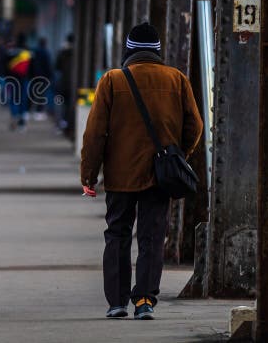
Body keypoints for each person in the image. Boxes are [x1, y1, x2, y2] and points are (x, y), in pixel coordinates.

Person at [79, 22, 203, 321]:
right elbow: (195, 126)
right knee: (151, 236)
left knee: (117, 234)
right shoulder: (177, 79)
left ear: (129, 50)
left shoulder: (112, 80)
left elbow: (95, 133)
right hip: (160, 177)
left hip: (120, 177)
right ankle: (145, 300)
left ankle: (117, 302)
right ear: (158, 51)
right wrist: (178, 155)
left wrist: (89, 175)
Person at [5, 33, 31, 130]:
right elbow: (32, 68)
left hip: (12, 80)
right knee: (23, 100)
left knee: (13, 100)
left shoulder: (11, 52)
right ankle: (22, 121)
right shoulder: (27, 53)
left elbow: (6, 67)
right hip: (24, 79)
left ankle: (14, 118)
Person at [28, 37, 53, 120]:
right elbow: (48, 65)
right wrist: (50, 75)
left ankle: (28, 111)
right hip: (43, 77)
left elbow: (30, 64)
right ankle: (38, 112)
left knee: (31, 93)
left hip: (33, 76)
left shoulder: (33, 52)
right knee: (41, 94)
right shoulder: (46, 53)